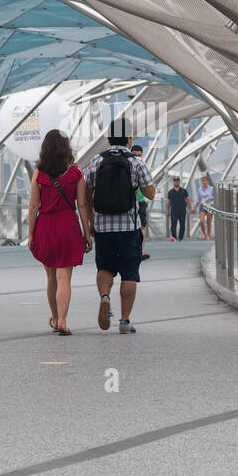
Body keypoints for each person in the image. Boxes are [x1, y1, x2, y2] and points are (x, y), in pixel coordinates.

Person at [84, 118, 154, 333]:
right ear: (129, 138)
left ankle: (105, 297)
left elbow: (86, 196)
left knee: (104, 268)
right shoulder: (136, 162)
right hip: (129, 227)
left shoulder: (96, 161)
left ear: (108, 137)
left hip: (103, 228)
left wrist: (89, 224)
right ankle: (124, 320)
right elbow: (150, 193)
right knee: (129, 273)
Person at [28, 129, 93, 335]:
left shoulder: (39, 174)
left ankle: (55, 318)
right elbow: (82, 205)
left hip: (45, 226)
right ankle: (63, 320)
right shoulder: (76, 173)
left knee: (50, 277)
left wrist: (30, 234)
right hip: (68, 226)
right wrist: (86, 233)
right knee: (64, 275)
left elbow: (33, 207)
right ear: (66, 149)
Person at [130, 144, 151, 260]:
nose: (137, 157)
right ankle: (137, 251)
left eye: (139, 155)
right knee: (135, 228)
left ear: (142, 154)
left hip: (140, 201)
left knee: (141, 227)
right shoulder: (143, 167)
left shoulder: (129, 166)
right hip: (131, 201)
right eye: (135, 155)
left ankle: (140, 251)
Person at [166, 175, 192, 241]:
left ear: (179, 182)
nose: (176, 182)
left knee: (182, 225)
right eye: (175, 181)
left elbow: (188, 199)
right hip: (174, 211)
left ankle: (181, 238)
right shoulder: (170, 192)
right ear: (173, 182)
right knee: (173, 224)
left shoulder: (184, 191)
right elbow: (168, 202)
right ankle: (174, 237)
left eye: (177, 181)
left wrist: (190, 208)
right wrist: (167, 211)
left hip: (182, 210)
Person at [196, 173, 215, 241]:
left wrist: (210, 198)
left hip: (209, 205)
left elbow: (214, 197)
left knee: (209, 221)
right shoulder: (199, 189)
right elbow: (198, 199)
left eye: (206, 180)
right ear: (202, 182)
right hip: (202, 206)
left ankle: (208, 235)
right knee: (202, 220)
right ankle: (204, 233)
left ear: (208, 181)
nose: (205, 182)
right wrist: (195, 208)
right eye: (203, 181)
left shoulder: (211, 188)